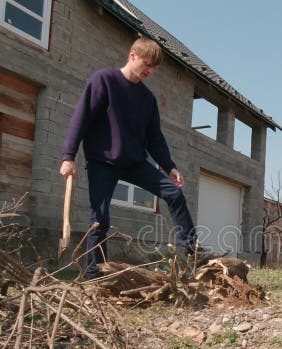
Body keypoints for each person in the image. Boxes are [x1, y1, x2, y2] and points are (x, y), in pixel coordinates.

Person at [60, 37, 200, 279]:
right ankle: (95, 276)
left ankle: (193, 251)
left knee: (174, 193)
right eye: (146, 64)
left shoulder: (147, 98)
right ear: (132, 55)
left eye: (153, 68)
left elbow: (155, 137)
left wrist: (170, 166)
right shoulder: (104, 80)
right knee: (99, 219)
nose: (149, 71)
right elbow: (80, 119)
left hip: (134, 162)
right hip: (102, 162)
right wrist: (68, 156)